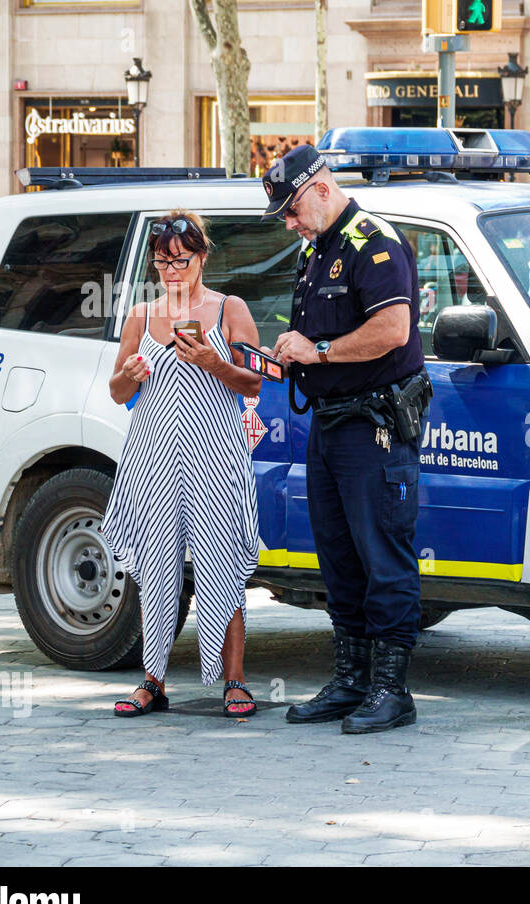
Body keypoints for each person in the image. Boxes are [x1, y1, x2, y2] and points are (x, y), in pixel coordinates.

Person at [265, 145, 431, 734]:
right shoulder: (319, 250)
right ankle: (352, 680)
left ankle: (391, 688)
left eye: (290, 209)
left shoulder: (372, 241)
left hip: (375, 427)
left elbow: (393, 328)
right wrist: (293, 349)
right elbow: (322, 332)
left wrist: (322, 351)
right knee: (338, 558)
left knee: (383, 554)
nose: (288, 223)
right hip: (331, 421)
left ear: (318, 188)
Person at [103, 210, 262, 718]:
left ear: (202, 258)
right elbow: (117, 391)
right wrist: (129, 374)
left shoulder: (229, 308)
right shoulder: (140, 316)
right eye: (163, 262)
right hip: (154, 456)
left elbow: (257, 380)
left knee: (224, 565)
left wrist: (214, 363)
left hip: (214, 453)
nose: (172, 271)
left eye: (182, 260)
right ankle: (153, 681)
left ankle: (234, 680)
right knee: (155, 568)